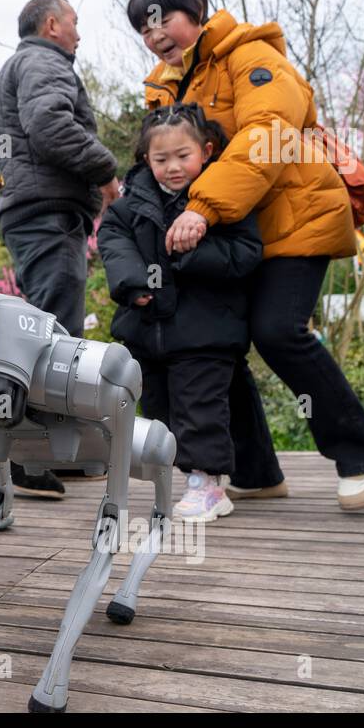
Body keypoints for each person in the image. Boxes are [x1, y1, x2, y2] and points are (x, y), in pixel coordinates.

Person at [129, 0, 364, 509]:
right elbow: (160, 160)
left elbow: (266, 135)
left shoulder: (253, 59)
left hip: (294, 221)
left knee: (277, 331)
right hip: (234, 233)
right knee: (217, 340)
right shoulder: (164, 84)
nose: (155, 35)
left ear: (197, 9)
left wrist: (203, 208)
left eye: (164, 20)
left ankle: (361, 456)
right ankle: (255, 471)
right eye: (143, 27)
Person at [0, 0, 121, 498]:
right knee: (50, 327)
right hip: (47, 207)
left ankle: (49, 449)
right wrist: (105, 170)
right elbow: (50, 126)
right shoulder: (44, 60)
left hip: (32, 205)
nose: (79, 33)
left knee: (45, 322)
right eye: (74, 22)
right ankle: (33, 453)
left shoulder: (17, 64)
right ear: (51, 24)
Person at [99, 105, 262, 522]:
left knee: (200, 406)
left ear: (206, 151)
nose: (173, 167)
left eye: (183, 156)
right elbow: (114, 243)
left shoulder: (221, 201)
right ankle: (176, 478)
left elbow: (245, 253)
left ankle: (207, 483)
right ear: (145, 160)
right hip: (149, 329)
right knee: (160, 409)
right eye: (161, 159)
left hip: (206, 328)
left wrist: (194, 252)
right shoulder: (128, 206)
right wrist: (135, 284)